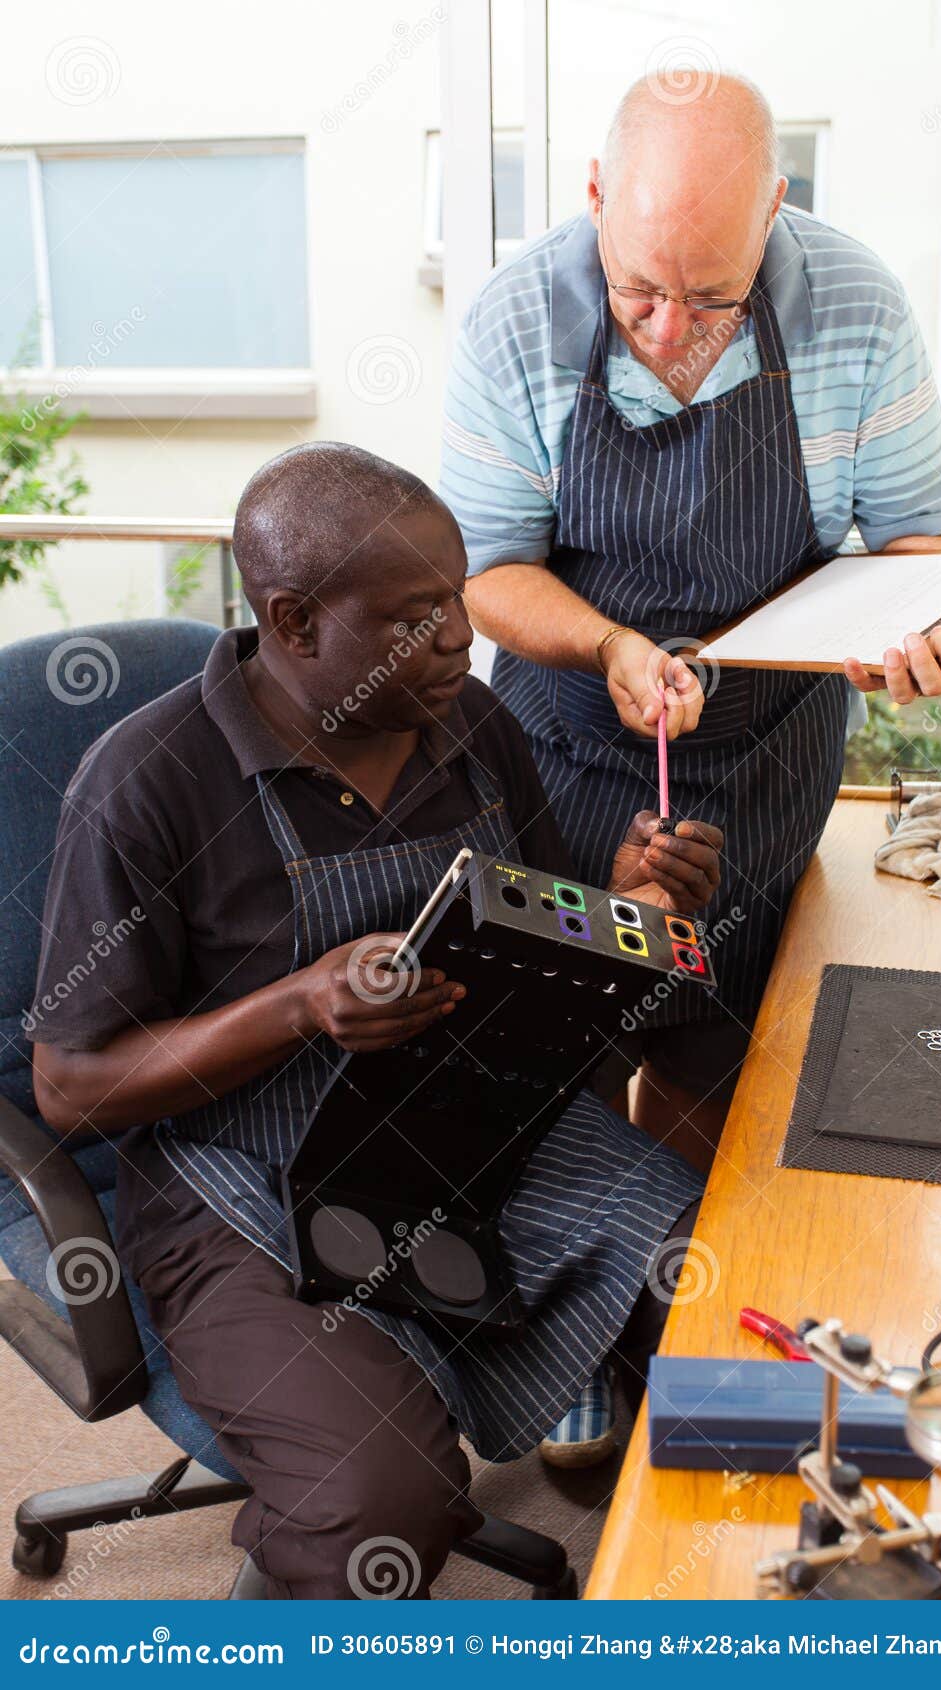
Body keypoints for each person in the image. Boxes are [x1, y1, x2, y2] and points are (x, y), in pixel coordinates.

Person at [30, 442, 719, 1600]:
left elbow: (543, 937)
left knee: (722, 1297)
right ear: (295, 623)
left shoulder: (474, 727)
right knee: (380, 1495)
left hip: (471, 1129)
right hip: (244, 1175)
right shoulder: (149, 779)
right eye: (416, 616)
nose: (459, 633)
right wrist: (298, 1004)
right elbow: (70, 1085)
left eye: (456, 598)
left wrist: (626, 902)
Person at [440, 68, 941, 1176]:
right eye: (639, 290)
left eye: (714, 298)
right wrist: (607, 644)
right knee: (548, 1101)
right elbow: (485, 570)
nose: (670, 331)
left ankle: (677, 1323)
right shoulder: (514, 316)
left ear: (774, 207)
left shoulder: (854, 306)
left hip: (764, 773)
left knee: (711, 1111)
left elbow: (922, 543)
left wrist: (934, 626)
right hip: (558, 768)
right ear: (594, 194)